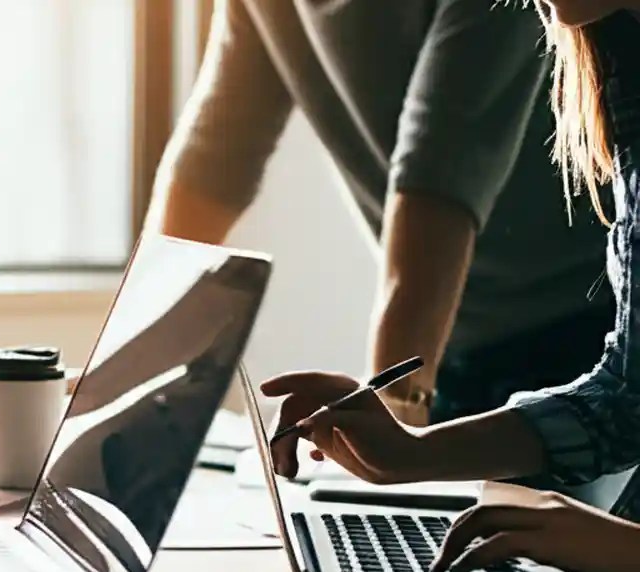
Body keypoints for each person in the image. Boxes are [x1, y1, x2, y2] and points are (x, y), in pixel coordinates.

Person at [264, 2, 640, 572]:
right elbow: (626, 398)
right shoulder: (619, 59)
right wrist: (407, 453)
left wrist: (623, 547)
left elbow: (438, 167)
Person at [146, 0, 610, 426]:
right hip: (447, 342)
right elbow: (212, 162)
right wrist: (133, 374)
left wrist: (389, 411)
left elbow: (439, 167)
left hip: (593, 331)